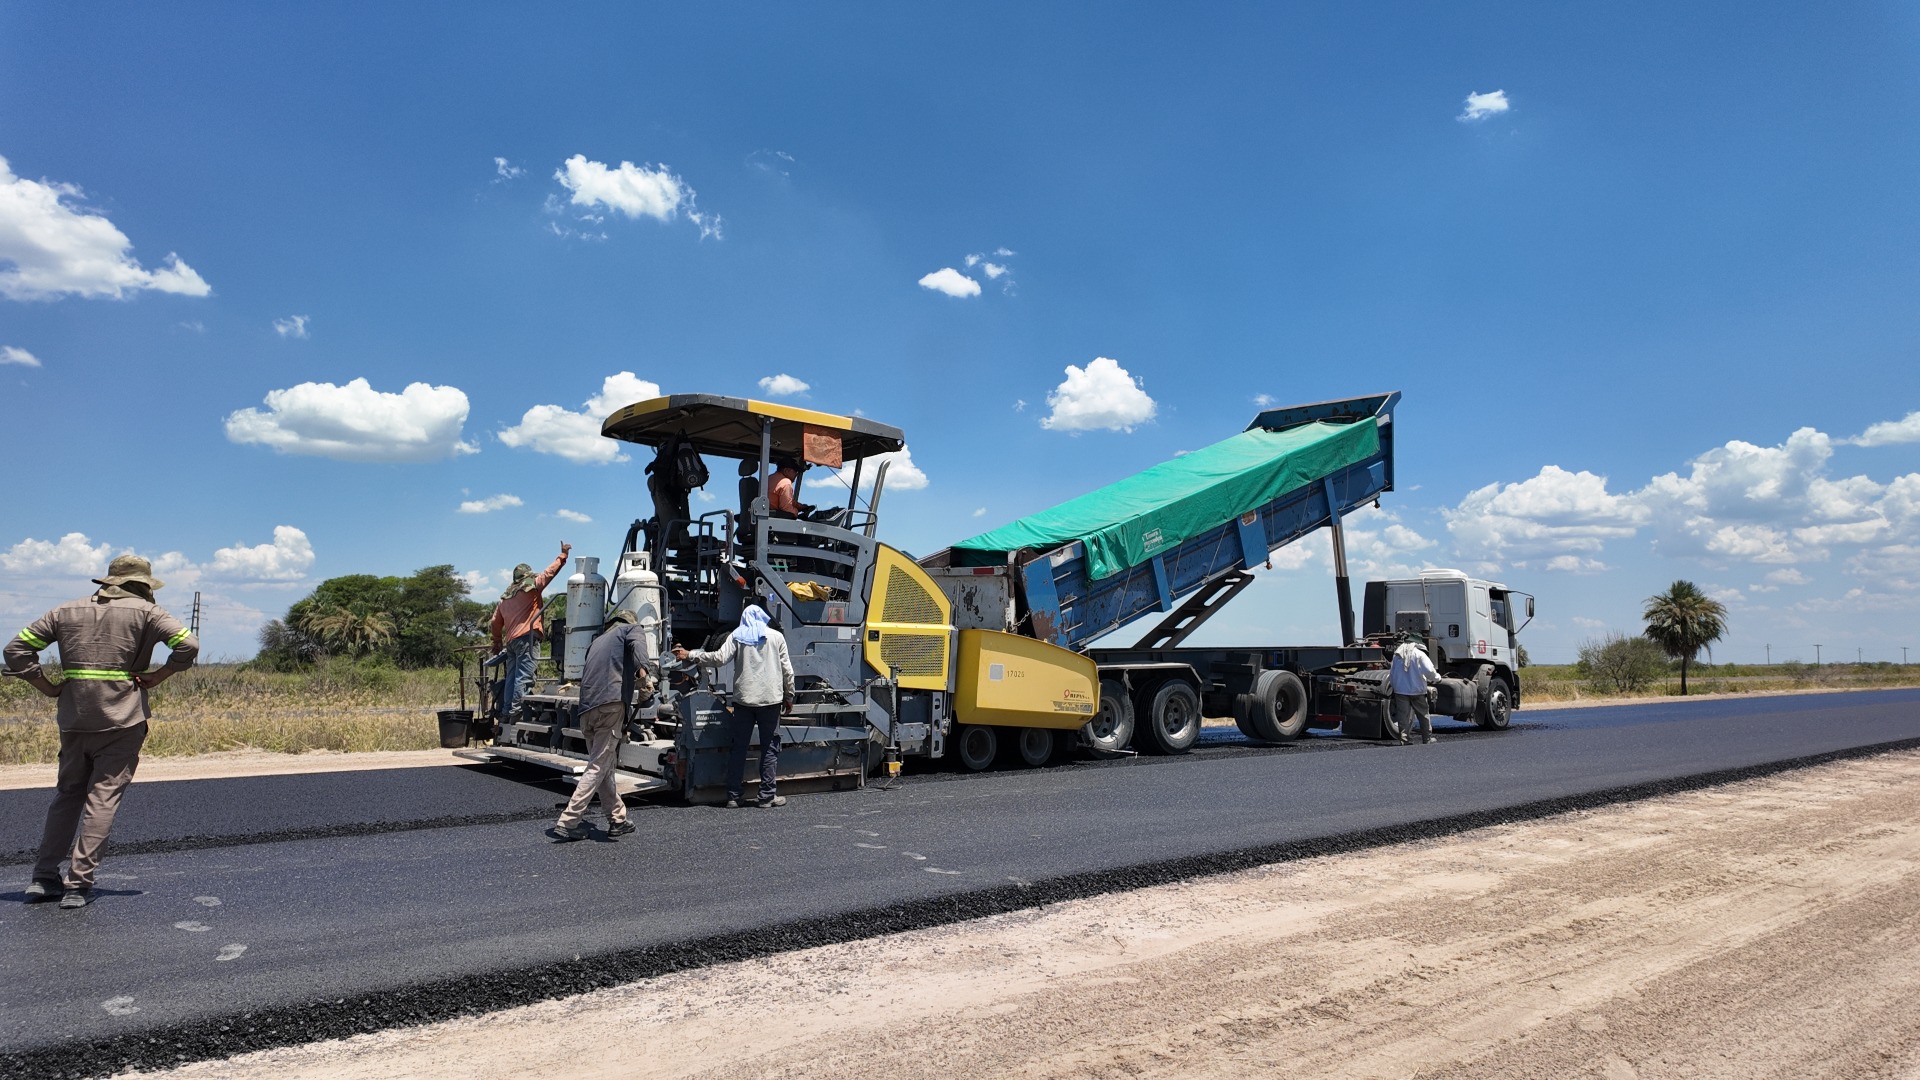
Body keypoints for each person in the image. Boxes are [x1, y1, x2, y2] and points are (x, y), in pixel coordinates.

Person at [4, 555, 199, 908]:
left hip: (74, 720)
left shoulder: (65, 611)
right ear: (142, 585)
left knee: (67, 795)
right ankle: (78, 885)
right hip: (122, 719)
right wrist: (160, 675)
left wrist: (47, 687)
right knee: (102, 799)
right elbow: (189, 645)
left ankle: (44, 877)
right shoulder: (149, 613)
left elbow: (15, 650)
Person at [672, 604, 794, 808]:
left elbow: (719, 658)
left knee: (739, 748)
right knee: (770, 749)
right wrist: (789, 696)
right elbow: (787, 671)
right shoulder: (776, 637)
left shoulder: (738, 635)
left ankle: (734, 796)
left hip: (744, 701)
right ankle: (766, 796)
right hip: (770, 701)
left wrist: (690, 654)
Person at [552, 608, 654, 841]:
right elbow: (638, 648)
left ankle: (617, 819)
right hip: (610, 704)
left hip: (587, 708)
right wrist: (645, 679)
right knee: (598, 765)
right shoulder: (631, 629)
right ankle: (568, 821)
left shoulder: (596, 642)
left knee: (605, 764)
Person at [490, 542, 569, 725]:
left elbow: (495, 622)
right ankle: (518, 710)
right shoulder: (532, 587)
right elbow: (549, 574)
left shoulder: (504, 599)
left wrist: (497, 642)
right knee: (524, 676)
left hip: (511, 642)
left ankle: (507, 710)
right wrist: (563, 555)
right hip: (527, 638)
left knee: (512, 676)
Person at [1388, 638, 1442, 745]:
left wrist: (1395, 687)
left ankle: (1404, 740)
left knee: (1403, 716)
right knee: (1423, 715)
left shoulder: (1397, 655)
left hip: (1401, 691)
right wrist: (1438, 678)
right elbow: (1429, 671)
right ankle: (1427, 738)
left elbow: (1392, 674)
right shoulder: (1419, 655)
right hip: (1417, 691)